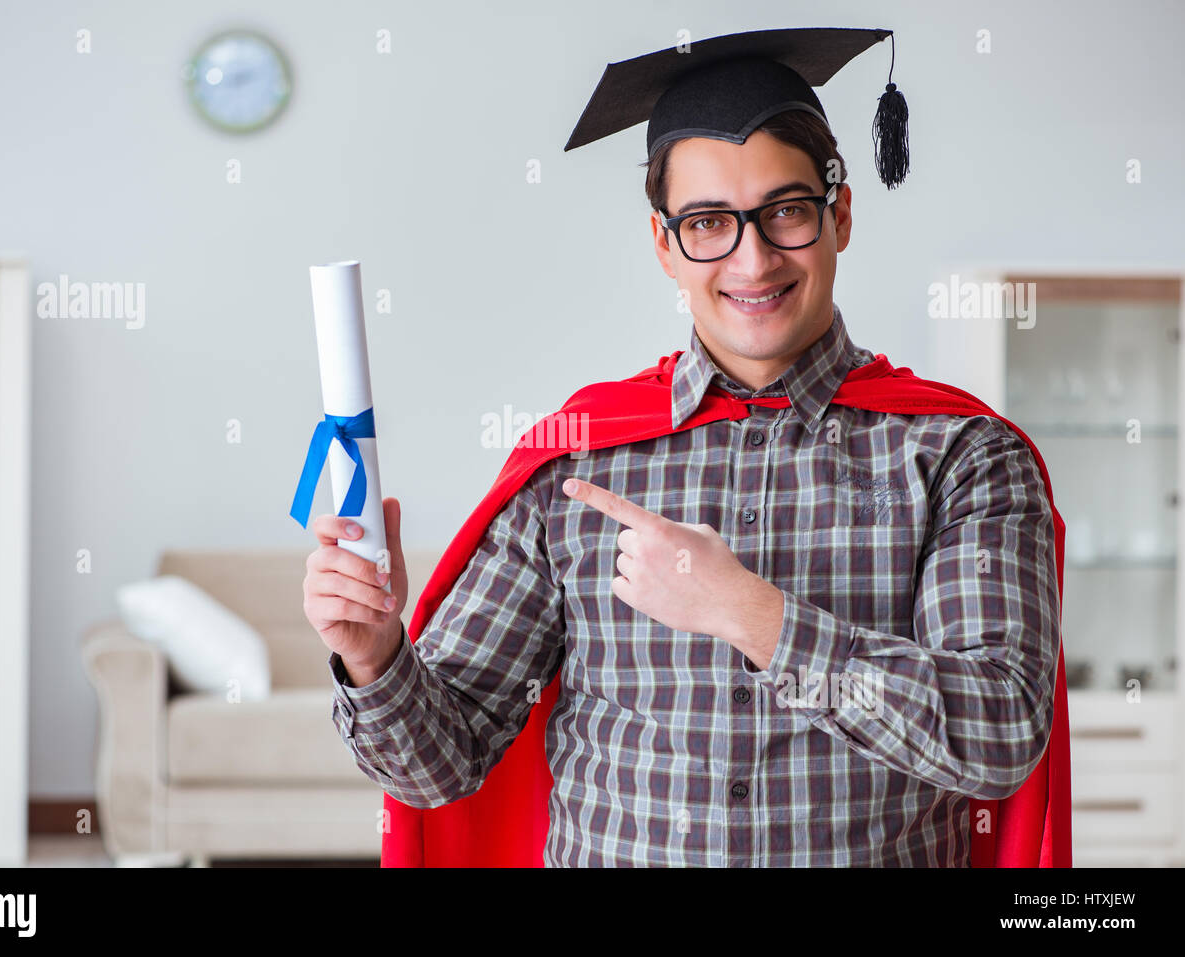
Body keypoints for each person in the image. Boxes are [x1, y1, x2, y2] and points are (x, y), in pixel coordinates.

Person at [302, 27, 1068, 866]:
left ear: (839, 215)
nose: (752, 257)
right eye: (708, 222)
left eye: (786, 211)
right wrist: (374, 659)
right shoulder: (578, 460)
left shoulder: (962, 454)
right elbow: (440, 764)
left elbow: (1000, 733)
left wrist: (751, 615)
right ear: (665, 244)